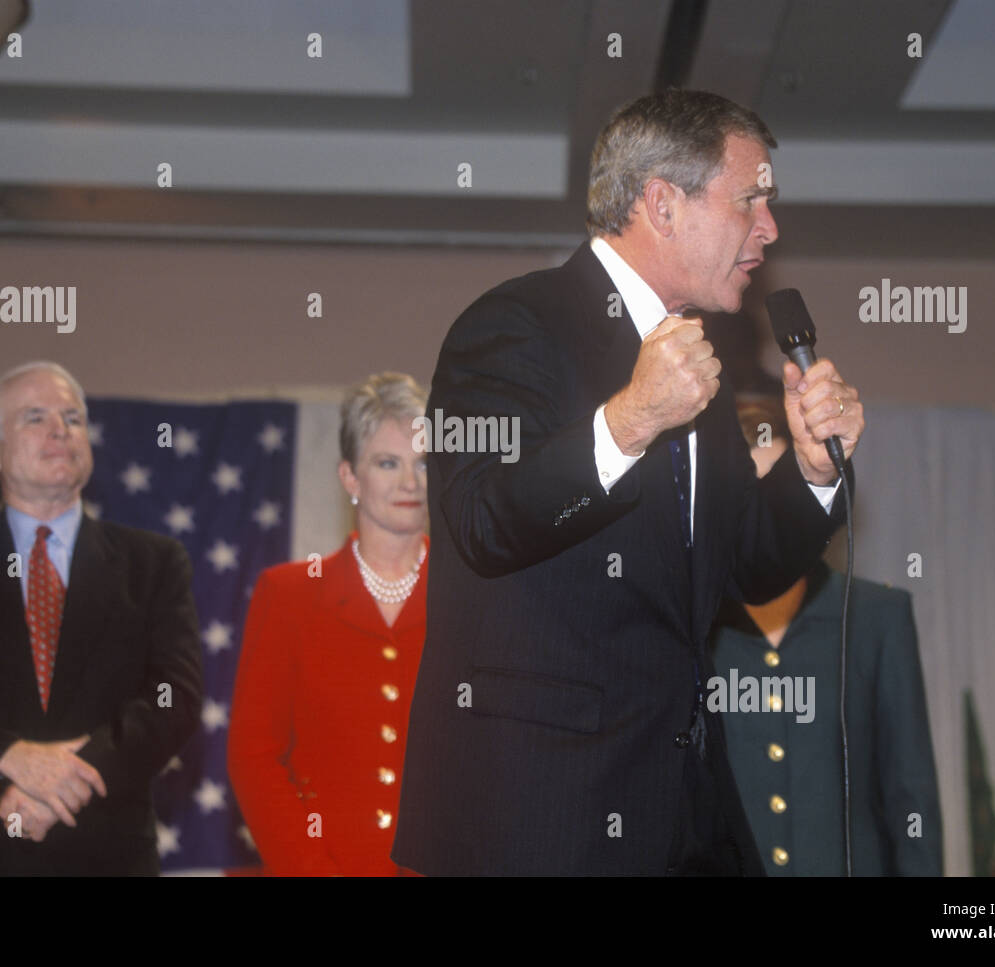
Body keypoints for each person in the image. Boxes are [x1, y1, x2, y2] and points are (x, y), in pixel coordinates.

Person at [392, 88, 866, 875]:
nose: (770, 229)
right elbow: (481, 519)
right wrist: (627, 421)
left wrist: (812, 474)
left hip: (685, 816)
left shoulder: (693, 356)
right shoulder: (512, 324)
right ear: (661, 203)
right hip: (539, 823)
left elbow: (745, 565)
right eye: (752, 199)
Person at [0, 361, 203, 875]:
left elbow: (174, 697)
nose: (60, 430)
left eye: (73, 418)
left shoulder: (155, 563)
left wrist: (72, 778)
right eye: (35, 417)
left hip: (107, 853)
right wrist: (8, 762)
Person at [710, 393, 942, 875]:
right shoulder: (694, 622)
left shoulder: (876, 617)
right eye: (747, 498)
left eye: (777, 494)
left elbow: (909, 796)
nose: (763, 518)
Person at [228, 372, 429, 875]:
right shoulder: (290, 594)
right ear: (350, 478)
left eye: (424, 463)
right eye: (388, 463)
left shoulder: (476, 601)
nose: (411, 482)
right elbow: (254, 758)